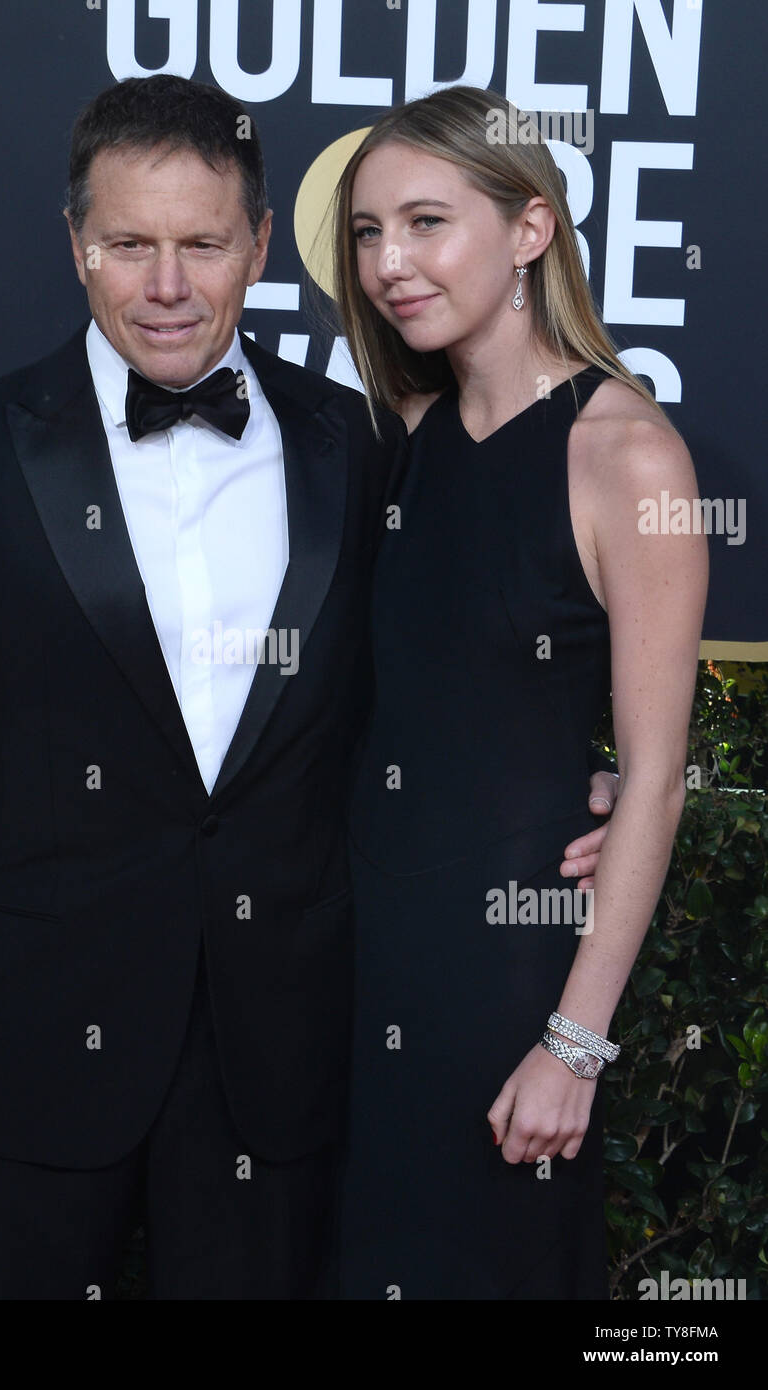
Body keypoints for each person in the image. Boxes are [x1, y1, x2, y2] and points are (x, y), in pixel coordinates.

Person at [0, 76, 614, 1300]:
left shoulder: (354, 442)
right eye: (129, 244)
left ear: (258, 244)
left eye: (201, 244)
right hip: (22, 1062)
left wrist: (576, 771)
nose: (166, 285)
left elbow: (430, 671)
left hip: (282, 1063)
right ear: (75, 243)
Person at [331, 84, 707, 1299]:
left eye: (426, 222)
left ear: (530, 229)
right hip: (351, 955)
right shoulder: (398, 430)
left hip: (505, 980)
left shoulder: (625, 453)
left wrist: (572, 1045)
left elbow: (653, 775)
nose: (390, 262)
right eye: (369, 231)